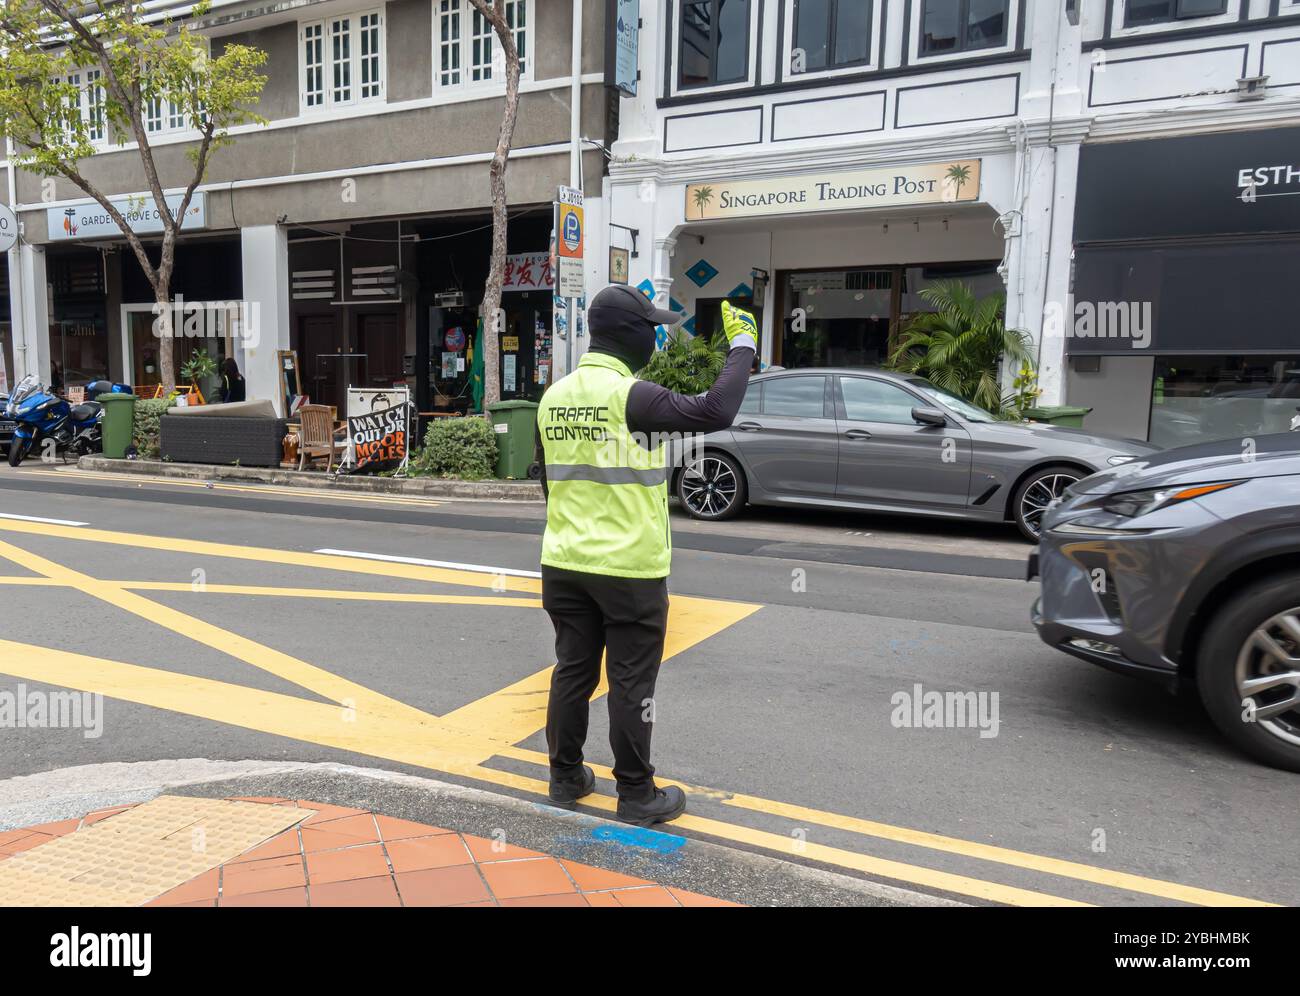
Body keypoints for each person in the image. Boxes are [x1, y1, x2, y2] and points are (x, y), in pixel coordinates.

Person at [536, 284, 757, 827]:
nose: (657, 336)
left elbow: (548, 481)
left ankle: (565, 778)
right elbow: (715, 410)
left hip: (564, 561)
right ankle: (635, 793)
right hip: (629, 568)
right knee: (631, 683)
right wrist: (743, 346)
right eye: (652, 328)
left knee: (573, 671)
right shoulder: (629, 396)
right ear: (631, 334)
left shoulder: (553, 396)